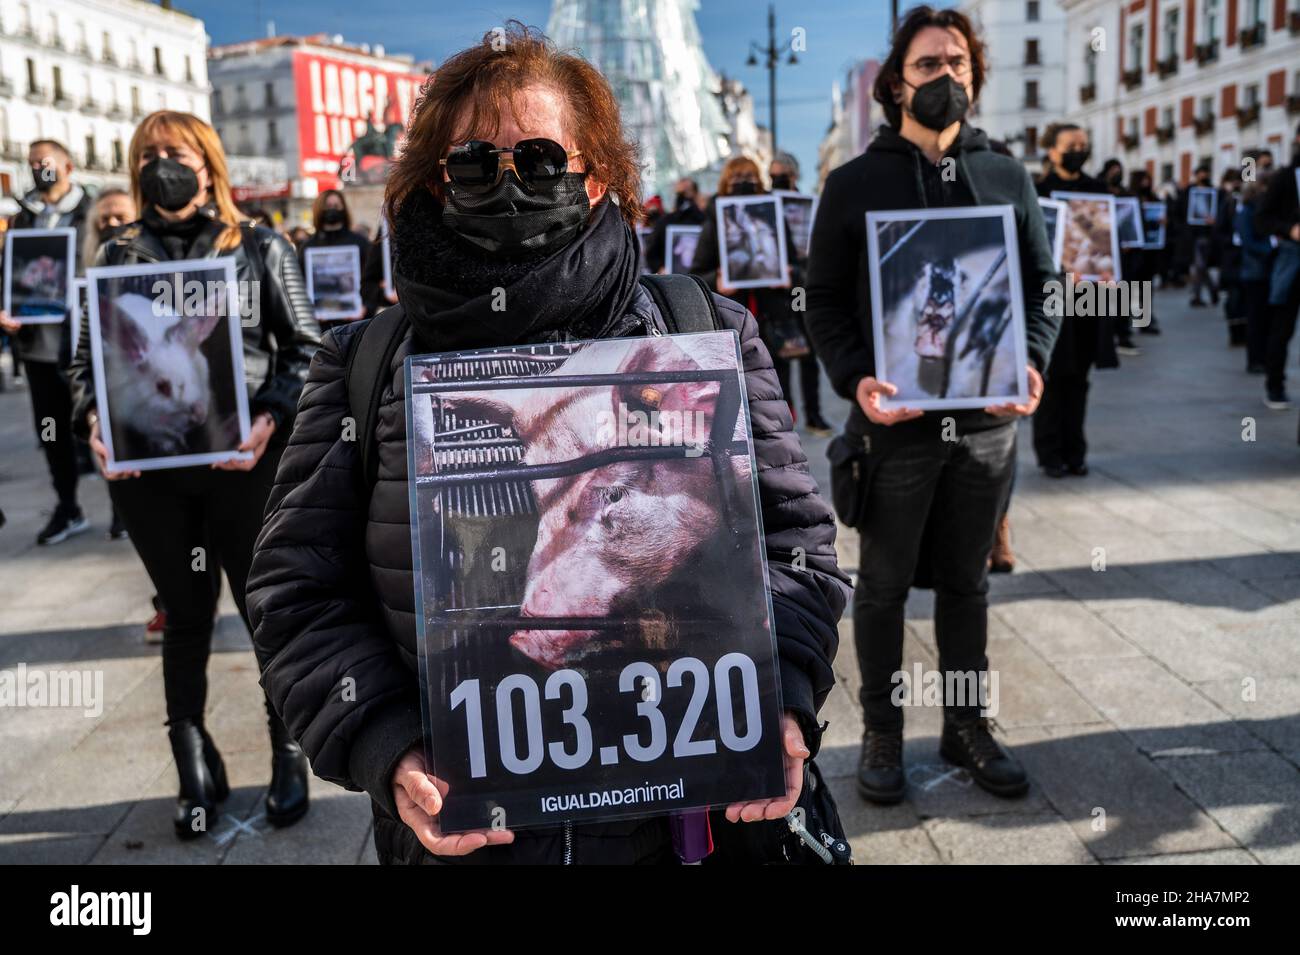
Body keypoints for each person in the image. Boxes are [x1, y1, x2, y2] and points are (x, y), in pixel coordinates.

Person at [246, 22, 848, 865]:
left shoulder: (701, 332)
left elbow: (796, 546)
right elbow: (294, 589)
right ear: (434, 183)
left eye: (537, 161)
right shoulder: (366, 362)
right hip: (469, 833)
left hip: (689, 828)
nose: (506, 183)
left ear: (595, 176)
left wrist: (781, 694)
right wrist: (383, 741)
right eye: (472, 165)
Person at [806, 5, 1060, 805]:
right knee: (880, 587)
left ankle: (965, 724)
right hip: (895, 427)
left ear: (974, 80)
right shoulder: (854, 184)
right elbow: (822, 303)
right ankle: (882, 727)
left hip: (987, 426)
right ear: (895, 83)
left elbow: (1042, 285)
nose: (945, 77)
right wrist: (856, 382)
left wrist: (1037, 360)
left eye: (958, 65)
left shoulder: (1007, 176)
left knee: (967, 584)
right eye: (928, 65)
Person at [66, 110, 321, 839]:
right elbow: (84, 366)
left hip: (245, 468)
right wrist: (92, 420)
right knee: (183, 614)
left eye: (175, 152)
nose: (161, 164)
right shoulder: (114, 257)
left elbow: (305, 351)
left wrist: (268, 415)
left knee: (263, 612)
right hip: (150, 479)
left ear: (208, 162)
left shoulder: (262, 246)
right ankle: (193, 762)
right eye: (149, 154)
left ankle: (288, 750)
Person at [0, 141, 95, 545]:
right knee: (52, 429)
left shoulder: (92, 213)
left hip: (86, 344)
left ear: (68, 166)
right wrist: (8, 308)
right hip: (39, 346)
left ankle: (124, 510)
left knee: (98, 426)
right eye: (33, 163)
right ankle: (67, 506)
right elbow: (10, 272)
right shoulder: (24, 218)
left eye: (46, 162)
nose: (39, 168)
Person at [691, 159, 828, 433]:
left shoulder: (774, 216)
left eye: (750, 177)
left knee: (777, 377)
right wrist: (717, 281)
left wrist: (788, 275)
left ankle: (782, 427)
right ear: (725, 182)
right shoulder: (716, 217)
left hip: (773, 314)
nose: (744, 182)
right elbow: (696, 275)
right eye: (737, 177)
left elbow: (798, 266)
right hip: (732, 315)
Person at [1033, 123, 1117, 478]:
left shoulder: (1098, 191)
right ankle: (1051, 452)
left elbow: (1110, 240)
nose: (1078, 150)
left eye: (1083, 144)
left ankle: (1076, 451)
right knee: (1051, 376)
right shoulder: (1039, 191)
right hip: (1051, 295)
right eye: (1071, 144)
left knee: (1080, 377)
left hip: (1090, 296)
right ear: (1051, 150)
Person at [768, 152, 831, 436]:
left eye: (780, 174)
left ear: (793, 176)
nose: (776, 179)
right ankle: (788, 413)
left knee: (808, 355)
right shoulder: (764, 206)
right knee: (780, 355)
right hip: (775, 292)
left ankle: (814, 415)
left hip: (803, 287)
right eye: (772, 174)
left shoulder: (809, 208)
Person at [1255, 123, 1300, 410]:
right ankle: (1274, 384)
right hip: (1291, 258)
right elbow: (1262, 219)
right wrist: (1290, 230)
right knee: (1282, 326)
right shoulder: (1285, 177)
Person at [300, 190, 370, 324]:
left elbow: (370, 281)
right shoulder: (308, 247)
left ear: (344, 209)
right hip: (321, 324)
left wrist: (366, 307)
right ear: (319, 209)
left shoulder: (360, 243)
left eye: (336, 206)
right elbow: (301, 285)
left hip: (355, 322)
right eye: (327, 206)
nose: (332, 209)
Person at [1235, 178, 1277, 376]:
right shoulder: (1246, 213)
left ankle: (1264, 357)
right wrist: (1272, 249)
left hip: (1267, 271)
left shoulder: (1261, 212)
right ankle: (1254, 360)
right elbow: (1249, 243)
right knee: (1255, 318)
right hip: (1254, 272)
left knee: (1266, 319)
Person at [644, 176, 705, 273]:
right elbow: (652, 253)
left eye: (687, 191)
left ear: (695, 193)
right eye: (680, 193)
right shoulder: (664, 222)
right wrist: (660, 269)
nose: (684, 196)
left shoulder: (705, 220)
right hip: (671, 281)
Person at [1181, 164, 1220, 307]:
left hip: (1207, 234)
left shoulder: (1213, 191)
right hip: (1193, 234)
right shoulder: (1189, 191)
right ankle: (1208, 291)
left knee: (1200, 266)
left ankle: (1202, 294)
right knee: (1199, 265)